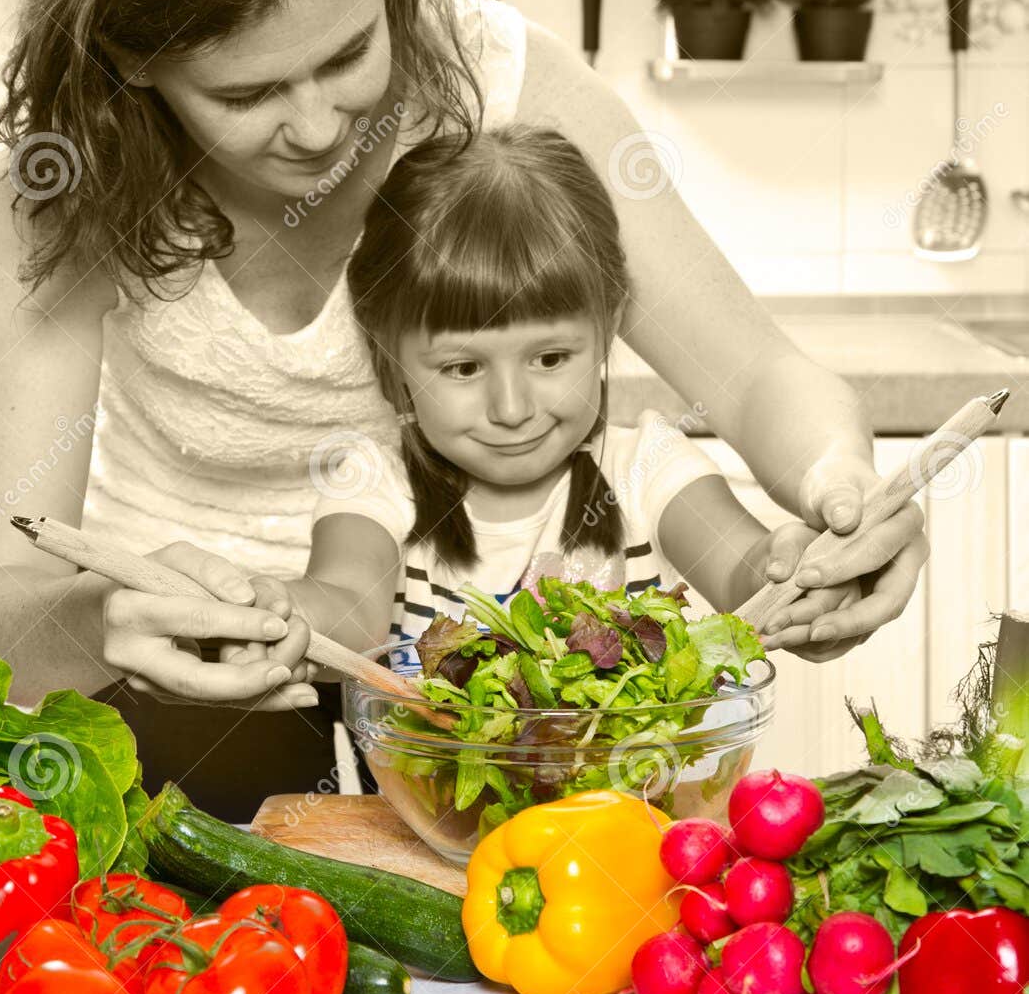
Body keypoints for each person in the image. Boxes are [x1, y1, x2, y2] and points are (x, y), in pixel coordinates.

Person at [0, 0, 927, 820]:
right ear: (133, 62)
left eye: (347, 54)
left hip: (463, 678)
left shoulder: (511, 89)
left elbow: (750, 375)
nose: (316, 126)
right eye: (246, 92)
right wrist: (103, 616)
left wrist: (839, 488)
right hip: (178, 683)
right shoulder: (62, 189)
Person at [256, 127, 863, 686]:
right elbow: (348, 612)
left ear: (608, 324)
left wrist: (796, 572)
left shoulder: (648, 468)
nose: (512, 408)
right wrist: (283, 614)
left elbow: (743, 573)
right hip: (422, 780)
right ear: (388, 357)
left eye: (549, 359)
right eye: (464, 368)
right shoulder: (374, 485)